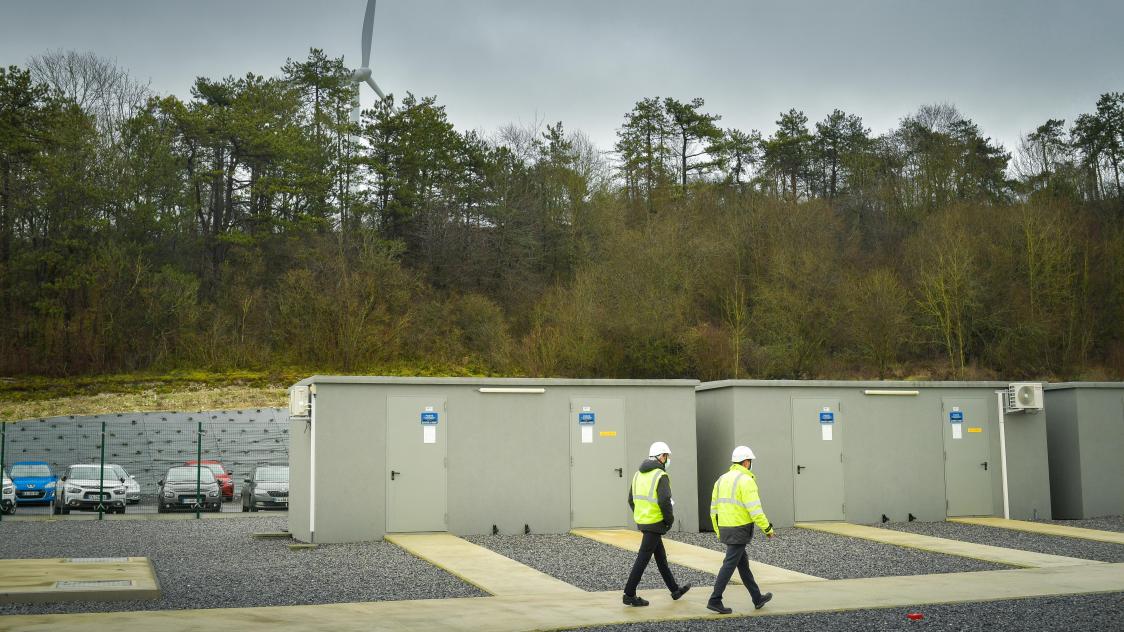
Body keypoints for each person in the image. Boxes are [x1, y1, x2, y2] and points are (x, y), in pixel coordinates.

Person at [622, 441, 692, 607]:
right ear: (661, 456)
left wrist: (641, 515)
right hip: (655, 522)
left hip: (644, 522)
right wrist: (669, 521)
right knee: (643, 558)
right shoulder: (661, 476)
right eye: (667, 456)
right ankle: (629, 594)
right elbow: (665, 501)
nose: (668, 460)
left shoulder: (638, 474)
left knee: (660, 557)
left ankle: (675, 590)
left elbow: (631, 500)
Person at [707, 445, 775, 615]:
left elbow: (713, 509)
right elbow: (755, 509)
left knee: (742, 565)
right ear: (746, 462)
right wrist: (767, 528)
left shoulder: (721, 479)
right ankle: (715, 599)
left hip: (726, 528)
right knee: (729, 564)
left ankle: (757, 597)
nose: (751, 464)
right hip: (739, 529)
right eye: (750, 462)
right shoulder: (746, 481)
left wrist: (718, 530)